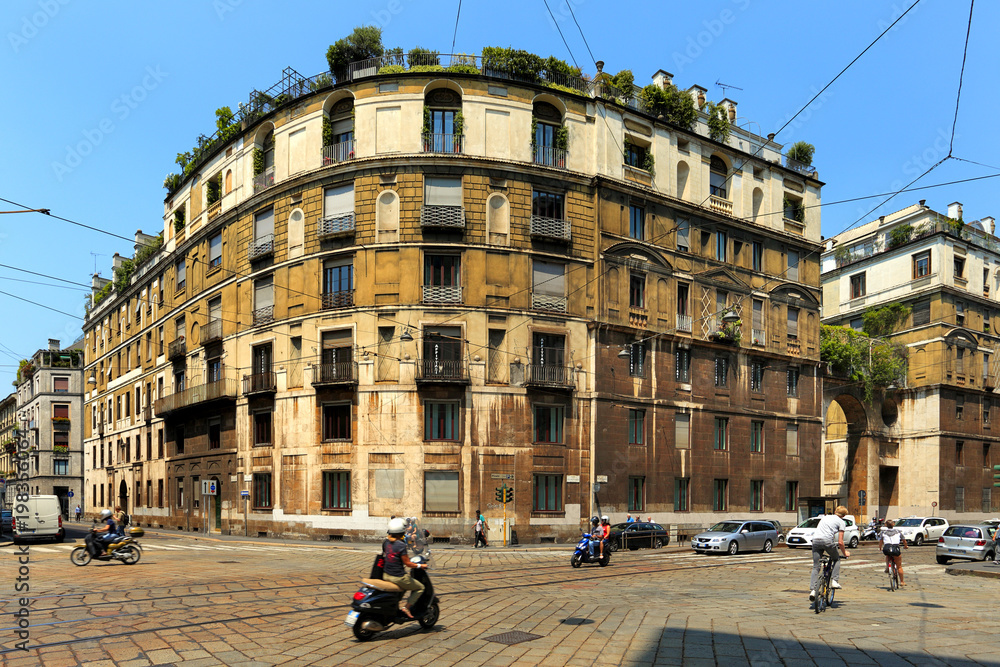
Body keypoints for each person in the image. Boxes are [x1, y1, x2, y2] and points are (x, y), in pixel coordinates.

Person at [382, 517, 427, 618]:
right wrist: (420, 565)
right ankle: (406, 607)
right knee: (420, 587)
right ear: (401, 532)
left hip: (386, 574)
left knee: (405, 586)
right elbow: (408, 563)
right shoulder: (400, 545)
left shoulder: (386, 542)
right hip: (397, 577)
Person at [809, 506, 851, 601]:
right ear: (844, 515)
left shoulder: (825, 517)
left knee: (816, 566)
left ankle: (813, 590)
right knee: (836, 559)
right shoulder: (841, 522)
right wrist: (845, 553)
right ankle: (834, 581)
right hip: (827, 541)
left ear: (835, 511)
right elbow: (840, 542)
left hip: (815, 541)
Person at [879, 518, 907, 585]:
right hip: (895, 547)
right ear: (893, 524)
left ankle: (887, 567)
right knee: (899, 566)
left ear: (886, 525)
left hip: (887, 548)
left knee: (887, 555)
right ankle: (902, 581)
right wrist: (906, 546)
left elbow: (880, 541)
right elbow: (904, 540)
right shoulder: (898, 532)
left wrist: (880, 547)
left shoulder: (883, 532)